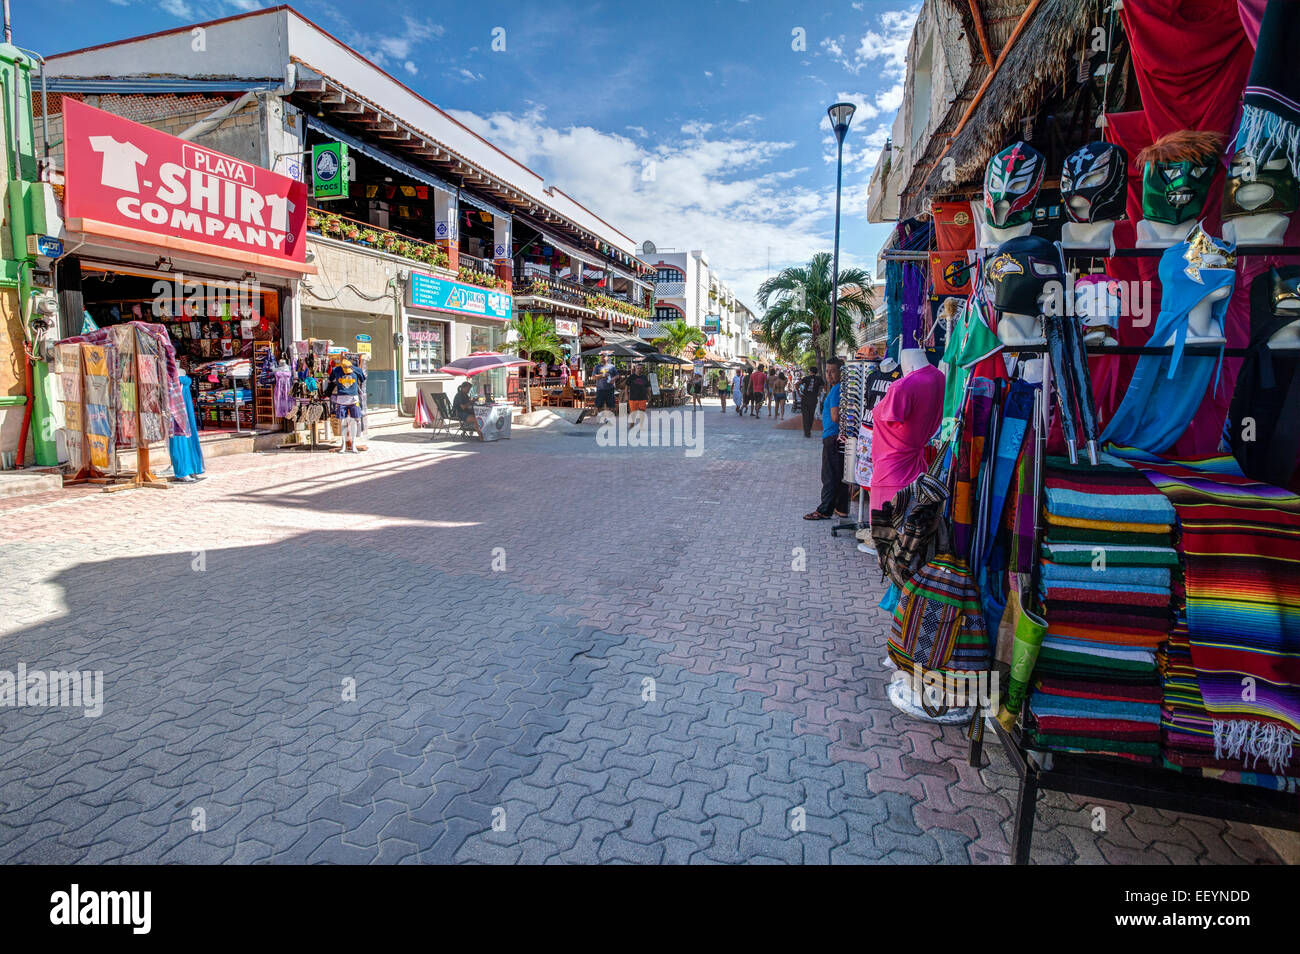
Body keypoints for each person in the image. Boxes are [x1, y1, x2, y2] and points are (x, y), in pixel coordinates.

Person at [805, 358, 849, 520]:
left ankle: (824, 510)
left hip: (832, 436)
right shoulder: (840, 388)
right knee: (839, 474)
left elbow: (835, 416)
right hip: (836, 436)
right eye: (827, 371)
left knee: (829, 475)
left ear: (840, 372)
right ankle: (841, 508)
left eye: (833, 371)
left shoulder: (837, 389)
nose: (829, 374)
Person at [168, 357, 205, 482]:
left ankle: (193, 468)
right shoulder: (169, 375)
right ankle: (183, 471)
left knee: (189, 437)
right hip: (176, 410)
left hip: (186, 409)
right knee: (179, 439)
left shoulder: (181, 374)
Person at [324, 356, 366, 453]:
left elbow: (362, 380)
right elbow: (330, 380)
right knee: (342, 422)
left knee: (355, 421)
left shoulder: (357, 370)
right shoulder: (336, 370)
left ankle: (354, 444)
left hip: (353, 399)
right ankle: (343, 444)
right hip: (341, 399)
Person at [796, 364, 824, 438]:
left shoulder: (806, 378)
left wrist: (799, 394)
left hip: (805, 398)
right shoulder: (819, 379)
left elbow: (796, 384)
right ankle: (808, 430)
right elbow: (823, 386)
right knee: (811, 416)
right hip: (813, 398)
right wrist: (819, 392)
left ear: (810, 371)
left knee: (805, 415)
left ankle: (807, 432)